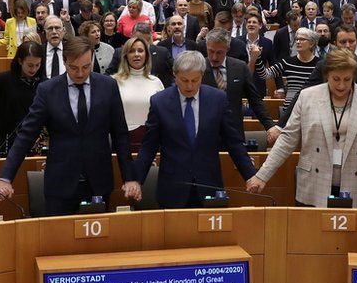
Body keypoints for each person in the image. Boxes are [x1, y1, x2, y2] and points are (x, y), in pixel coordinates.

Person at [247, 49, 357, 207]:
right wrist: (262, 175)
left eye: (347, 79)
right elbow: (287, 140)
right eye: (336, 79)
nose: (341, 85)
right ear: (326, 75)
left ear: (354, 76)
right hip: (313, 183)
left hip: (356, 184)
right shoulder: (307, 97)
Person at [0, 36, 142, 215]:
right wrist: (5, 177)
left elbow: (120, 134)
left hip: (99, 180)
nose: (80, 73)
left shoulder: (108, 86)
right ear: (64, 61)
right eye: (73, 68)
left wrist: (130, 178)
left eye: (86, 67)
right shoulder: (47, 90)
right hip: (60, 183)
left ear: (92, 60)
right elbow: (26, 135)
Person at [135, 50, 257, 208]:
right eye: (184, 80)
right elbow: (149, 146)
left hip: (209, 184)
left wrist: (249, 174)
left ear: (202, 75)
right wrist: (135, 179)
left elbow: (233, 141)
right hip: (173, 188)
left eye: (195, 80)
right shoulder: (160, 102)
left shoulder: (217, 99)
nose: (189, 86)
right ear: (174, 74)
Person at [115, 36, 165, 150]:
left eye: (140, 51)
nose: (136, 54)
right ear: (125, 56)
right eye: (131, 51)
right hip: (124, 143)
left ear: (146, 55)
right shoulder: (114, 82)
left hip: (152, 142)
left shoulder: (156, 82)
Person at [249, 26, 319, 103]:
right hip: (290, 108)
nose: (298, 42)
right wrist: (257, 57)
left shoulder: (320, 64)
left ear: (311, 43)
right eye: (297, 39)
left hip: (311, 106)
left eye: (302, 39)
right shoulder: (287, 62)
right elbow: (264, 75)